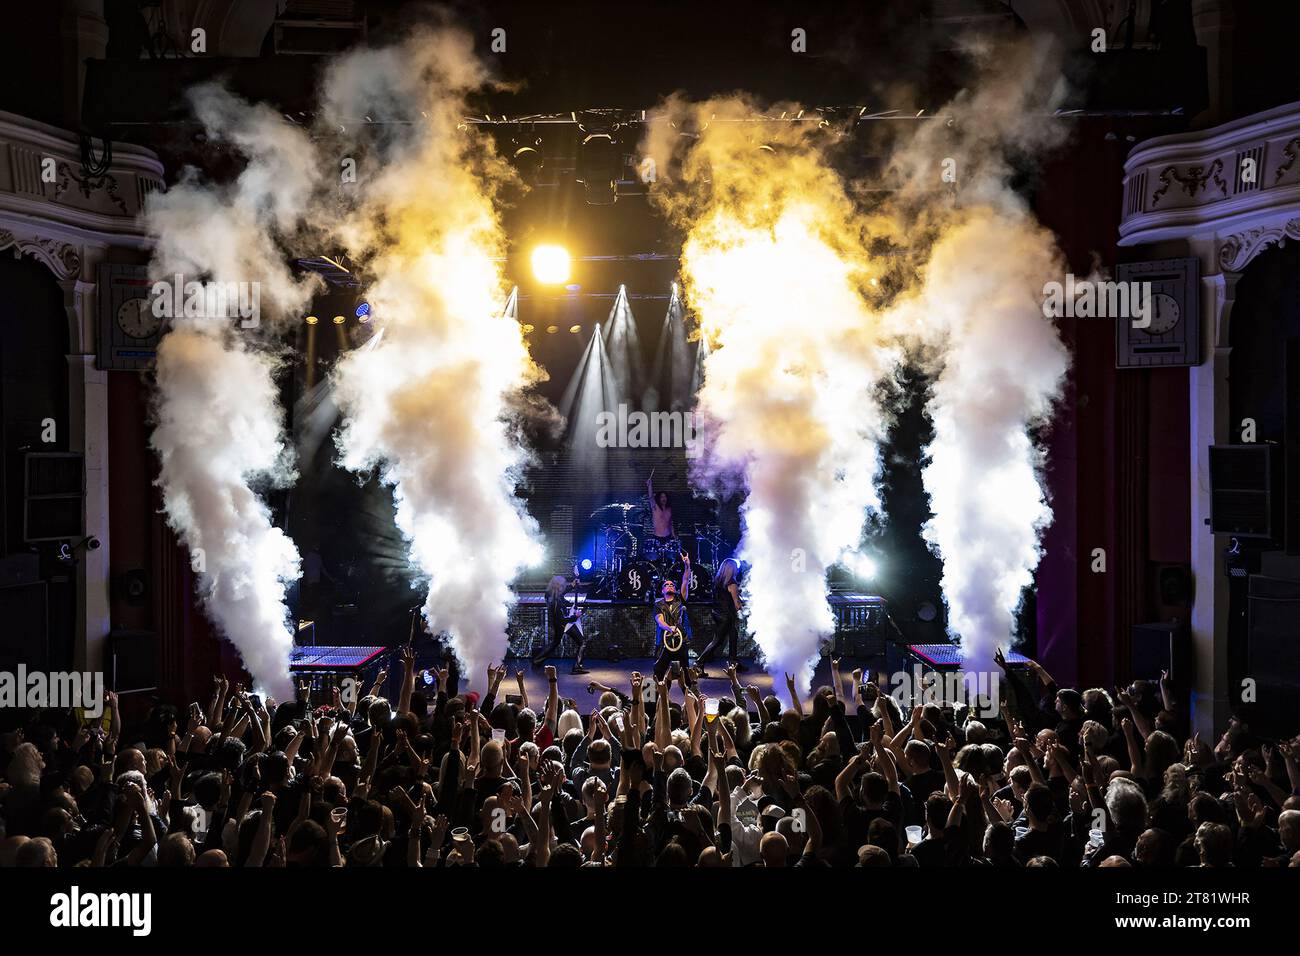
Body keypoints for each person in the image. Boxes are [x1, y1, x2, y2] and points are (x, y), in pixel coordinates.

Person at [533, 565, 588, 674]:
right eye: (562, 586)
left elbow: (562, 596)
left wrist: (572, 586)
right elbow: (563, 619)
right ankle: (577, 666)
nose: (564, 587)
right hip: (564, 625)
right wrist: (575, 616)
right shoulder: (555, 601)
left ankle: (537, 661)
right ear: (559, 586)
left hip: (559, 624)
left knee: (555, 643)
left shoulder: (552, 594)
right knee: (582, 643)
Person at [699, 557, 743, 674]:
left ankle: (734, 663)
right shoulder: (732, 583)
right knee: (717, 641)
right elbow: (736, 604)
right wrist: (741, 603)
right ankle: (699, 663)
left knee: (733, 635)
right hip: (727, 615)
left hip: (717, 612)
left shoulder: (718, 580)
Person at [652, 555, 692, 680]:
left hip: (681, 641)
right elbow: (660, 621)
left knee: (685, 673)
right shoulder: (658, 604)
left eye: (672, 585)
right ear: (662, 591)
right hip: (664, 642)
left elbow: (685, 580)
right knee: (658, 671)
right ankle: (655, 698)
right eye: (666, 585)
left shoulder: (681, 600)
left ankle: (690, 697)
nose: (670, 585)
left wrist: (687, 565)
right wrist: (669, 628)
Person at [645, 468, 673, 540]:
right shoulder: (655, 507)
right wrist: (650, 486)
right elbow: (651, 497)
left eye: (665, 497)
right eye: (662, 497)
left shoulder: (669, 509)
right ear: (659, 499)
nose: (664, 498)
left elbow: (670, 523)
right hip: (657, 537)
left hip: (668, 537)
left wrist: (674, 535)